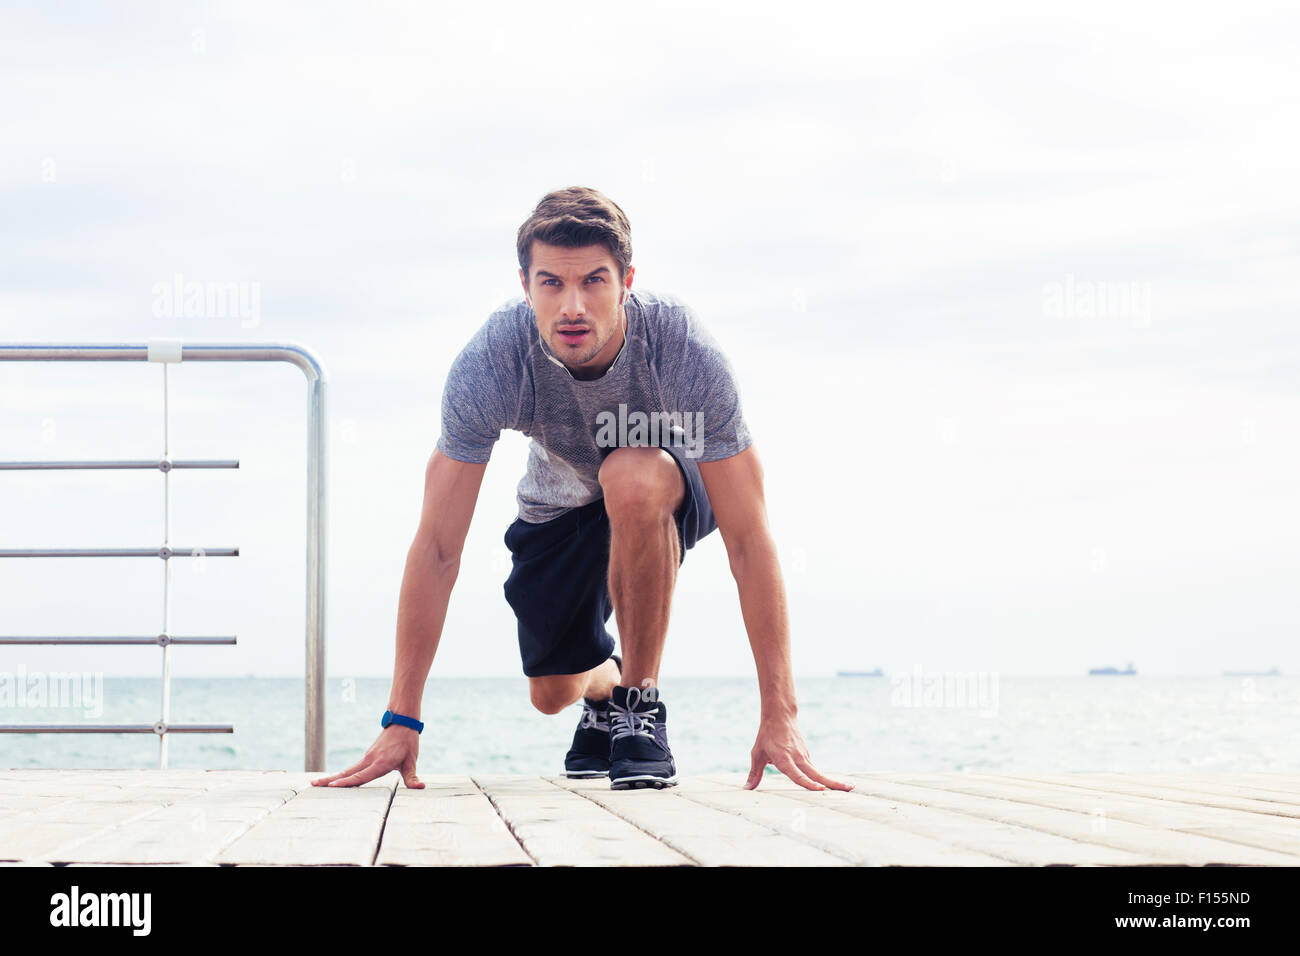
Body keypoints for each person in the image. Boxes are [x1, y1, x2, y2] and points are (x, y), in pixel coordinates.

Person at [312, 186, 851, 792]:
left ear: (626, 282)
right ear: (525, 285)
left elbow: (751, 539)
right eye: (551, 283)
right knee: (551, 693)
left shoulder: (682, 350)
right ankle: (606, 686)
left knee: (630, 472)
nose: (573, 306)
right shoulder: (493, 363)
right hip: (558, 504)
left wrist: (781, 714)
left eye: (594, 281)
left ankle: (639, 706)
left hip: (666, 481)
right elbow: (438, 546)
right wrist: (401, 719)